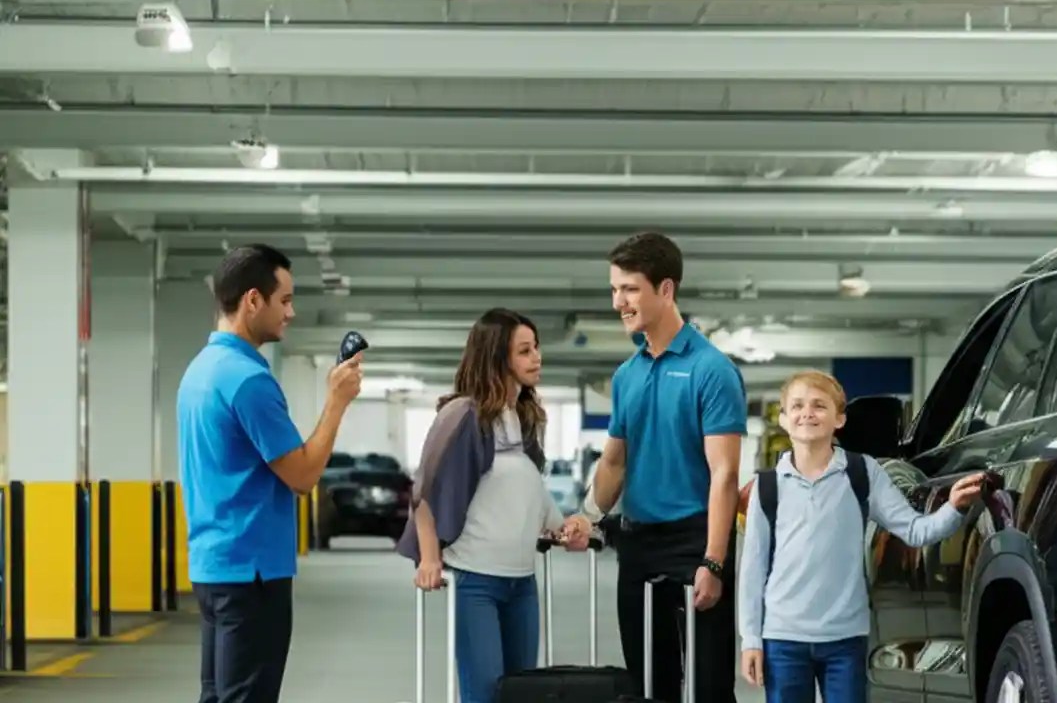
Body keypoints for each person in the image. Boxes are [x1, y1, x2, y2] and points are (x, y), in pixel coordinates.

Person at [176, 244, 363, 703]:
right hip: (253, 573)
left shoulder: (200, 372)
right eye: (284, 300)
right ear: (253, 300)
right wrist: (336, 403)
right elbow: (302, 475)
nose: (291, 312)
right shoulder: (249, 381)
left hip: (213, 567)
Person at [565, 231, 746, 702]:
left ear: (665, 290)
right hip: (639, 544)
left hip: (696, 542)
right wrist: (587, 516)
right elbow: (614, 460)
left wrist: (714, 559)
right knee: (649, 686)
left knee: (708, 689)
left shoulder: (713, 370)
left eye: (629, 289)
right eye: (613, 289)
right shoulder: (628, 375)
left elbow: (724, 474)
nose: (618, 302)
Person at [737, 370, 985, 703]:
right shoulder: (767, 487)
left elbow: (913, 530)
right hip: (783, 640)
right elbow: (752, 571)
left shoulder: (862, 473)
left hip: (845, 639)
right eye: (796, 406)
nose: (807, 413)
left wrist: (953, 508)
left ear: (839, 419)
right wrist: (751, 639)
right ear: (783, 418)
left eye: (819, 406)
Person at [395, 308, 590, 703]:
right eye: (524, 350)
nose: (536, 357)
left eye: (535, 348)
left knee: (521, 694)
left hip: (522, 582)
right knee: (484, 694)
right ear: (497, 357)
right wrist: (429, 557)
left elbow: (528, 489)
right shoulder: (462, 415)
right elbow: (426, 490)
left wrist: (560, 527)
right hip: (476, 580)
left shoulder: (523, 419)